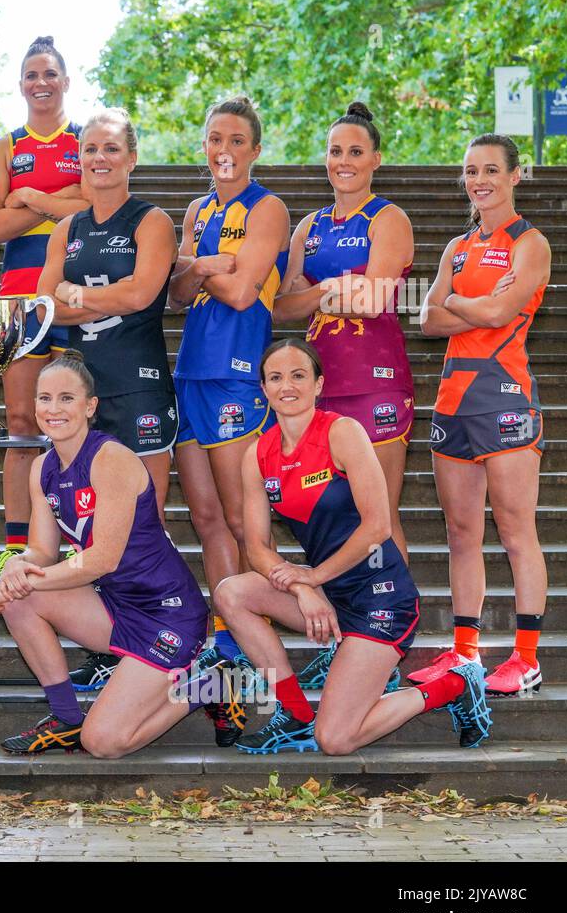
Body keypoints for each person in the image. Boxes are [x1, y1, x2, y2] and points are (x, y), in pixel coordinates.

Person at [214, 339, 492, 752]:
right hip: (328, 595)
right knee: (231, 592)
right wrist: (304, 589)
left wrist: (314, 576)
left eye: (298, 375)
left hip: (380, 598)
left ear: (318, 384)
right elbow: (255, 546)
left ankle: (453, 685)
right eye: (275, 377)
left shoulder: (342, 432)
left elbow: (378, 525)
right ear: (264, 389)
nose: (286, 385)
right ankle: (294, 714)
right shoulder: (258, 453)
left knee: (336, 739)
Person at [0, 350, 242, 756]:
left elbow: (103, 559)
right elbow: (41, 550)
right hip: (115, 607)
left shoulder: (111, 459)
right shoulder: (41, 469)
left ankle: (210, 685)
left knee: (104, 741)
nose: (54, 409)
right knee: (20, 600)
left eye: (67, 398)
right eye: (45, 398)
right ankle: (66, 717)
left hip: (166, 614)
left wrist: (21, 581)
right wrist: (15, 568)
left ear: (90, 406)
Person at [272, 102, 416, 689]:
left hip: (376, 380)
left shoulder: (390, 217)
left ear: (376, 160)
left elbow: (378, 297)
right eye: (335, 152)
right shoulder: (308, 226)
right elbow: (282, 307)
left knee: (380, 514)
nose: (344, 161)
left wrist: (324, 289)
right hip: (318, 388)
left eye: (355, 151)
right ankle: (352, 639)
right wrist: (335, 288)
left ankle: (397, 641)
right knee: (336, 519)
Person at [35, 108, 178, 693]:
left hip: (138, 384)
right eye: (90, 150)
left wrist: (80, 295)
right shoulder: (66, 229)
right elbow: (45, 310)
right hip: (82, 393)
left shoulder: (152, 221)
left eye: (111, 149)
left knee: (142, 523)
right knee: (88, 526)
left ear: (131, 157)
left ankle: (157, 637)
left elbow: (145, 295)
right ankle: (110, 645)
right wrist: (93, 298)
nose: (99, 159)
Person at [412, 133, 551, 696]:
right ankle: (465, 652)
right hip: (454, 403)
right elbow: (426, 319)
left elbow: (500, 311)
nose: (479, 180)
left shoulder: (531, 243)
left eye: (491, 169)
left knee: (517, 531)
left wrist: (461, 306)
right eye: (471, 171)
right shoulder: (457, 247)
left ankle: (526, 658)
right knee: (461, 531)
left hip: (507, 397)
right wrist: (477, 307)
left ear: (515, 176)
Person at [168, 95, 289, 679]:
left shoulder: (269, 208)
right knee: (206, 517)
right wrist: (213, 265)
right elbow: (173, 293)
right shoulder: (196, 209)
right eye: (216, 138)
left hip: (236, 373)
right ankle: (225, 636)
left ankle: (264, 634)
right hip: (189, 371)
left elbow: (243, 294)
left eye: (237, 140)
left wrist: (198, 267)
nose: (225, 150)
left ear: (255, 150)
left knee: (244, 521)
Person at [0, 36, 89, 589]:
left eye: (50, 73)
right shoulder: (5, 147)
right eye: (30, 74)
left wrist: (31, 199)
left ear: (66, 80)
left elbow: (99, 203)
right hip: (19, 297)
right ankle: (14, 549)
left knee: (84, 424)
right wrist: (61, 197)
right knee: (23, 423)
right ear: (21, 83)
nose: (40, 82)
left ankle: (82, 546)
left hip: (76, 292)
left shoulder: (87, 139)